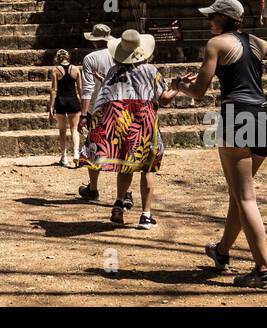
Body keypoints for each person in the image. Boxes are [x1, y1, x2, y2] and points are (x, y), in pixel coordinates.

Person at [170, 0, 267, 290]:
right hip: (261, 114)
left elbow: (199, 91)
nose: (209, 21)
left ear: (222, 19)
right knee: (238, 194)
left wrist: (178, 85)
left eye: (212, 17)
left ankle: (264, 271)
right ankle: (221, 252)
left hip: (236, 115)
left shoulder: (216, 44)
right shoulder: (256, 42)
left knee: (245, 197)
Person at [81, 30, 178, 229]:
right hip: (144, 122)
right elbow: (164, 99)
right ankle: (146, 215)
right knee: (147, 168)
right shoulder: (151, 71)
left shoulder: (113, 72)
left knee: (126, 164)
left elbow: (103, 100)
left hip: (120, 123)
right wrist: (178, 86)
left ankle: (118, 202)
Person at [76, 24, 114, 202]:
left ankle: (93, 188)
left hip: (97, 109)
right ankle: (124, 192)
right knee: (120, 148)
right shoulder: (118, 54)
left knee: (94, 148)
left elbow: (87, 90)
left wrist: (83, 115)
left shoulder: (90, 58)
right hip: (118, 106)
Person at [47, 49, 81, 168]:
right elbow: (80, 88)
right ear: (68, 57)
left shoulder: (55, 70)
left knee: (62, 130)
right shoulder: (76, 69)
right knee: (74, 129)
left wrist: (51, 106)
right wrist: (82, 102)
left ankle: (64, 156)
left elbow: (53, 90)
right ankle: (76, 152)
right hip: (73, 100)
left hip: (61, 101)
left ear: (58, 58)